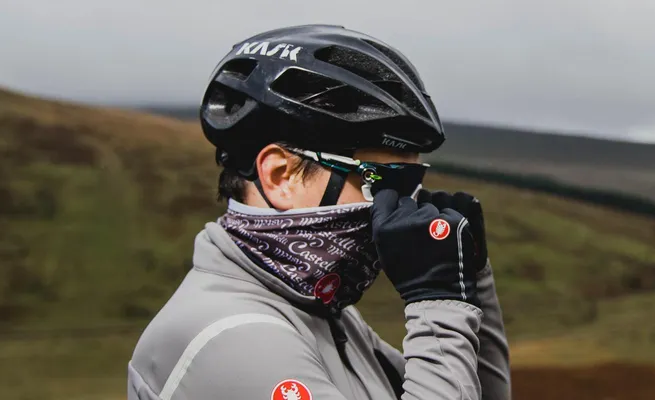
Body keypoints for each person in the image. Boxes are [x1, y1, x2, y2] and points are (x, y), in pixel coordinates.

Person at [127, 24, 510, 400]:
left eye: (413, 180)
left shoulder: (317, 310)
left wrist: (470, 282)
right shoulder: (231, 337)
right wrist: (437, 301)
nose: (406, 204)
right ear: (281, 176)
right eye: (385, 179)